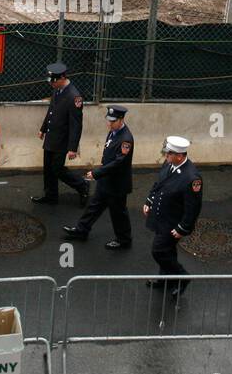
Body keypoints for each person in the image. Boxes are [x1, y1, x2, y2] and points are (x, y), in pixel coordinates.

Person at [63, 105, 134, 249]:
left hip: (117, 184)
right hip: (107, 180)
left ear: (121, 120)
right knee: (94, 207)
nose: (109, 123)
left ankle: (124, 240)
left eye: (113, 121)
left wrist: (97, 173)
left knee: (118, 213)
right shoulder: (113, 132)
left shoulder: (126, 139)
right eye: (108, 120)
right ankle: (82, 230)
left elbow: (118, 163)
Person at [142, 135, 203, 298]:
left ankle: (182, 277)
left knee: (158, 251)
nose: (166, 156)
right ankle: (165, 278)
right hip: (162, 216)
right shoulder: (169, 163)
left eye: (169, 154)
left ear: (179, 155)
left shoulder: (192, 178)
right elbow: (158, 183)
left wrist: (183, 228)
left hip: (173, 223)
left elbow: (193, 207)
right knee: (167, 250)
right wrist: (150, 199)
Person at [32, 62, 88, 205]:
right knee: (48, 169)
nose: (52, 83)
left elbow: (76, 124)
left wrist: (73, 148)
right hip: (51, 136)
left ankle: (81, 185)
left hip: (62, 140)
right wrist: (43, 129)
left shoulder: (74, 97)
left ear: (63, 78)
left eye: (54, 80)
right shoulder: (57, 89)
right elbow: (51, 111)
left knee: (57, 169)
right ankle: (50, 195)